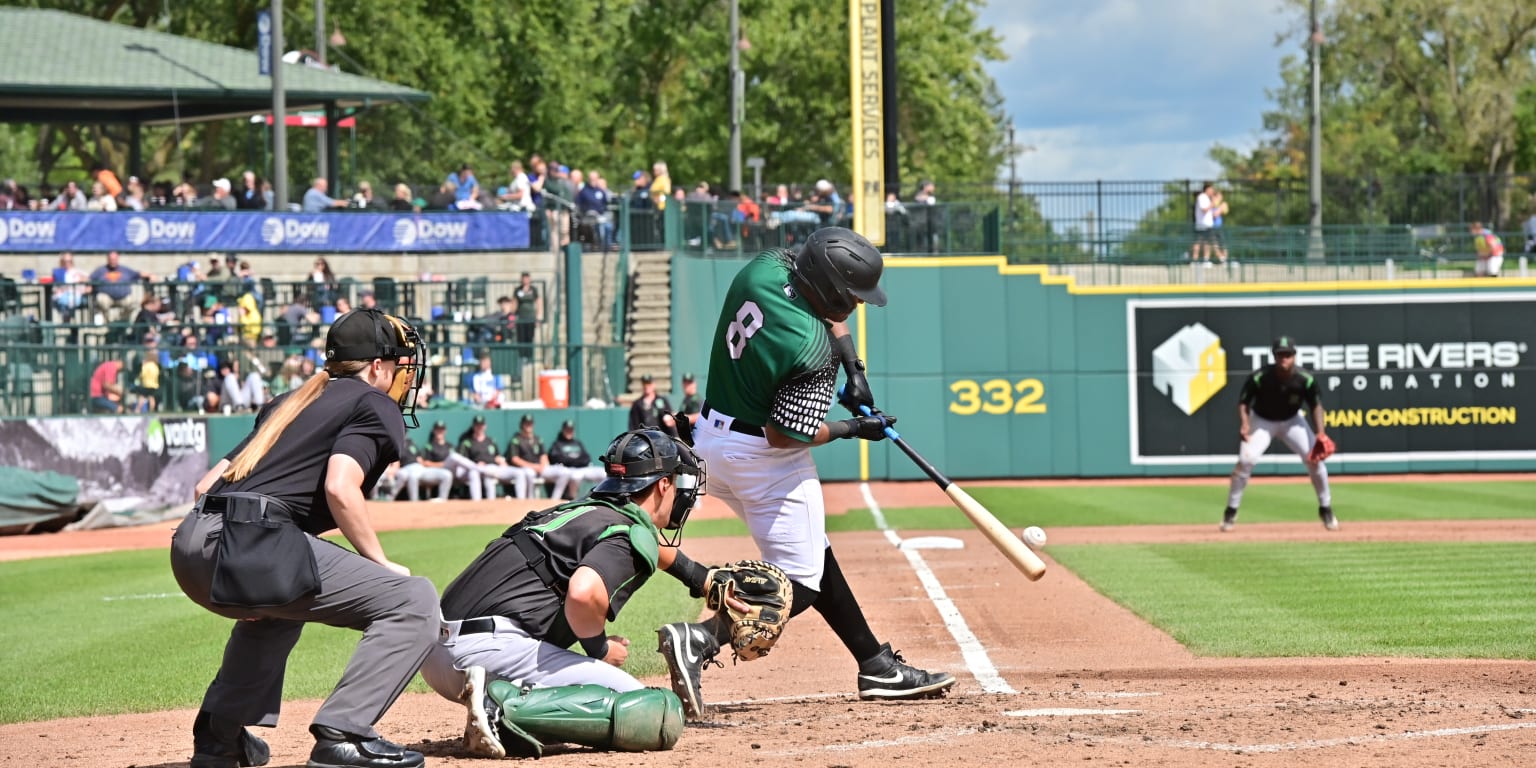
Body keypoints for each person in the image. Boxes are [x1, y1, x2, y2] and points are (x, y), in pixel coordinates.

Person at [656, 226, 954, 721]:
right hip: (762, 458)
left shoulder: (765, 267)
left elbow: (823, 307)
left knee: (814, 551)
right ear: (833, 292)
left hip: (709, 437)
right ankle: (701, 639)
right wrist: (853, 426)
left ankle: (875, 663)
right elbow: (786, 436)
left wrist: (854, 366)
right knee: (802, 583)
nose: (857, 307)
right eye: (853, 298)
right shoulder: (811, 349)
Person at [168, 308, 437, 768]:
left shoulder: (290, 400)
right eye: (398, 364)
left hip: (193, 542)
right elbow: (340, 486)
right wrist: (378, 560)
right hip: (250, 545)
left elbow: (202, 487)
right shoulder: (375, 404)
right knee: (414, 600)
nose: (403, 377)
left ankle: (219, 738)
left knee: (280, 607)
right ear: (377, 366)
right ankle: (344, 732)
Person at [419, 428, 703, 758]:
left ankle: (513, 711)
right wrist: (599, 648)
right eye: (676, 482)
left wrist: (702, 578)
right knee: (651, 712)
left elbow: (647, 547)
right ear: (663, 484)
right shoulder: (628, 532)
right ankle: (500, 709)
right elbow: (583, 594)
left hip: (434, 648)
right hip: (481, 655)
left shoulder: (578, 512)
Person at [1220, 335, 1337, 532]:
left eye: (1288, 354)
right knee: (1246, 460)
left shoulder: (1305, 380)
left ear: (1294, 356)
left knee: (1315, 459)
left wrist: (1321, 433)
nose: (1284, 358)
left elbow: (1316, 405)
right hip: (1263, 420)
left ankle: (1325, 508)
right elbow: (1244, 402)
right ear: (1274, 356)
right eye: (1280, 354)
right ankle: (1231, 510)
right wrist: (1245, 424)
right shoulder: (1260, 377)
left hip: (1292, 420)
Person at [421, 420, 494, 501]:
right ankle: (479, 468)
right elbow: (426, 463)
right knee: (453, 456)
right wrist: (442, 464)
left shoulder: (450, 446)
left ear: (445, 431)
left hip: (454, 471)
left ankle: (477, 501)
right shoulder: (429, 446)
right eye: (437, 429)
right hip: (439, 470)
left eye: (441, 429)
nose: (439, 432)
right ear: (434, 430)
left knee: (473, 473)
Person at [457, 415, 526, 499]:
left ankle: (522, 500)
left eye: (481, 425)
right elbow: (464, 461)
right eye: (477, 425)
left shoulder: (491, 441)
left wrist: (501, 461)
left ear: (485, 426)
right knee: (477, 474)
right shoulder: (467, 442)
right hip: (477, 469)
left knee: (519, 473)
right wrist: (476, 464)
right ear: (474, 426)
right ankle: (477, 503)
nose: (479, 427)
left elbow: (498, 456)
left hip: (493, 468)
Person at [543, 420, 607, 500]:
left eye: (571, 430)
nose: (569, 432)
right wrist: (575, 460)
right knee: (576, 476)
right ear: (563, 430)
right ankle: (571, 497)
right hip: (568, 470)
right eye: (567, 429)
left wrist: (572, 460)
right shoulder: (557, 444)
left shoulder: (577, 443)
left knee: (603, 472)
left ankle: (603, 497)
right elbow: (557, 458)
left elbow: (586, 458)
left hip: (582, 468)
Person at [502, 413, 548, 500]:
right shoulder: (516, 439)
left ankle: (557, 500)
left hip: (540, 467)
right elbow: (515, 459)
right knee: (529, 473)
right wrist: (535, 467)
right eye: (526, 423)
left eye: (530, 423)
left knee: (563, 472)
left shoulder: (538, 439)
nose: (528, 425)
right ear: (522, 424)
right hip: (525, 468)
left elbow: (543, 455)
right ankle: (529, 500)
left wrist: (542, 466)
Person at [512, 272, 541, 365]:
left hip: (530, 317)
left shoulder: (533, 290)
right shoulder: (518, 290)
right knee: (521, 338)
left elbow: (538, 303)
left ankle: (529, 357)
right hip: (520, 317)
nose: (525, 280)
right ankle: (522, 356)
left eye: (527, 278)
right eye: (524, 278)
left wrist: (538, 317)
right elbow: (514, 303)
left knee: (529, 337)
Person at [1192, 181, 1218, 267]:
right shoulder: (1202, 197)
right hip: (1202, 224)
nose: (1212, 191)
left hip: (1207, 224)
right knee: (1198, 242)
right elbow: (1204, 209)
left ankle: (1206, 260)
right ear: (1207, 189)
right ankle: (1194, 260)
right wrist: (1213, 204)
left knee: (1207, 242)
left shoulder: (1206, 198)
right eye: (1211, 189)